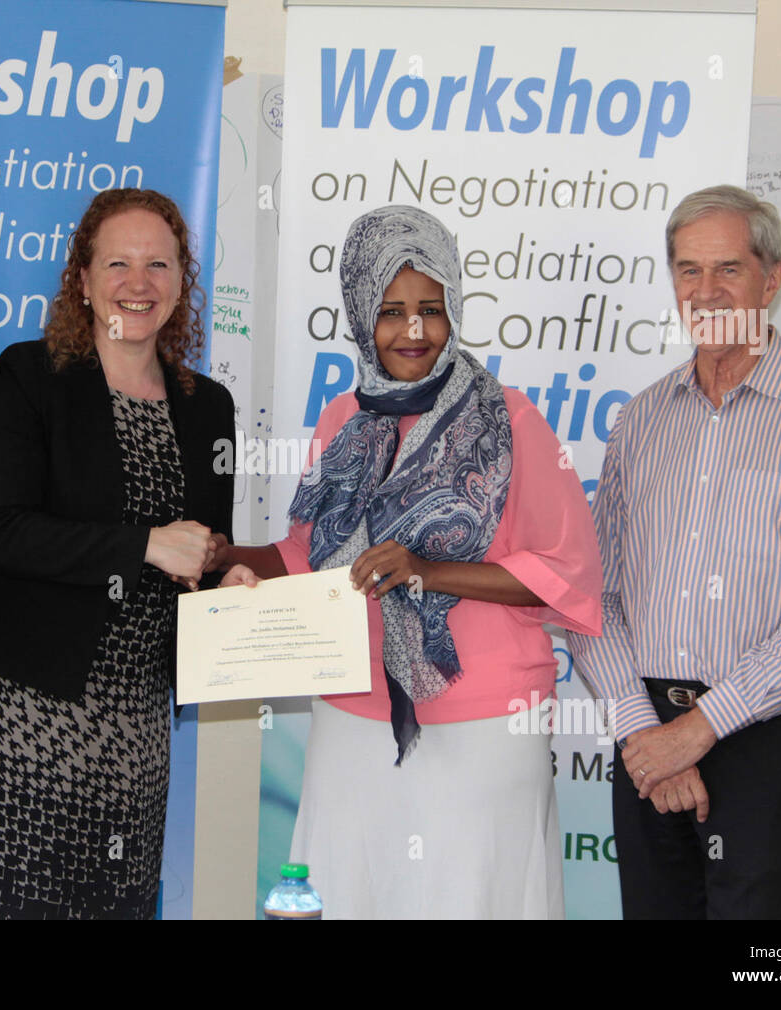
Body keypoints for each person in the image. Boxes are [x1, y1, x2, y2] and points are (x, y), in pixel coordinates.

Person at [215, 205, 601, 918]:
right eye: (392, 310)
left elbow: (565, 570)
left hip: (484, 724)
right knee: (352, 894)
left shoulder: (509, 419)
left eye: (431, 309)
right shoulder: (345, 419)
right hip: (351, 714)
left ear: (455, 307)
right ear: (361, 313)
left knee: (467, 899)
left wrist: (426, 567)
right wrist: (227, 557)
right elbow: (312, 554)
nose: (414, 331)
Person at [567, 185, 781, 919]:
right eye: (687, 271)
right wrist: (646, 730)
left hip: (763, 739)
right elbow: (594, 593)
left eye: (728, 270)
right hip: (645, 736)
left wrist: (700, 730)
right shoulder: (641, 421)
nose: (705, 292)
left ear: (771, 279)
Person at [0, 188, 233, 920]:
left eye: (159, 264)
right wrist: (145, 545)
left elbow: (202, 553)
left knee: (116, 902)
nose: (139, 283)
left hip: (138, 709)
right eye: (118, 263)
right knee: (27, 903)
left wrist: (231, 577)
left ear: (181, 283)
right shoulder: (31, 375)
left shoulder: (210, 405)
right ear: (82, 279)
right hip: (31, 701)